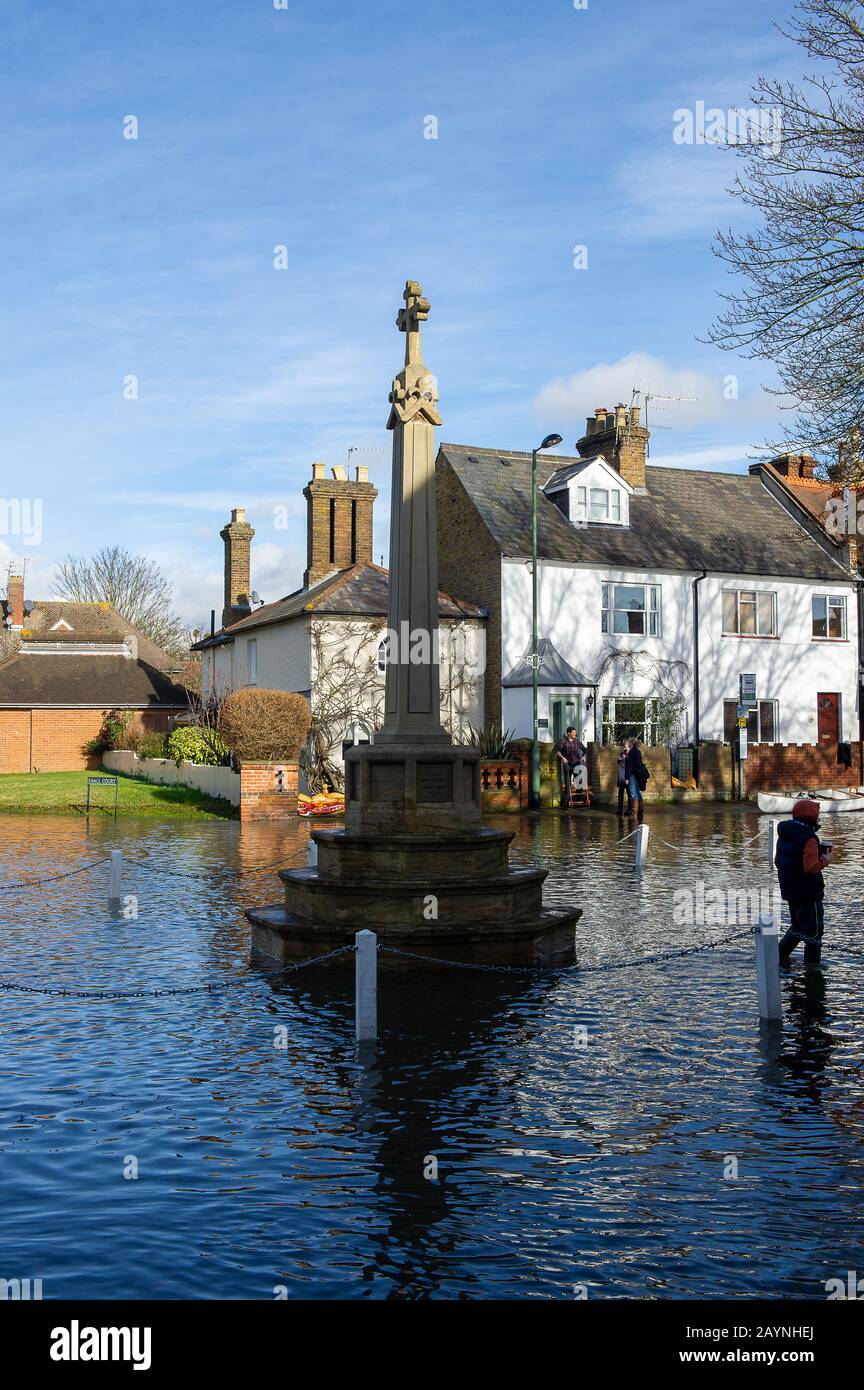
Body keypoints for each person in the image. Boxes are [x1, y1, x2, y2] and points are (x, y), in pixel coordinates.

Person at [775, 798, 832, 966]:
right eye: (817, 815)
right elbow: (810, 867)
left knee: (798, 927)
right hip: (808, 892)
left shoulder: (785, 835)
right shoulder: (809, 838)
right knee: (814, 932)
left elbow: (780, 861)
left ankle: (777, 956)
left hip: (790, 890)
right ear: (811, 817)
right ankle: (812, 969)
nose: (819, 817)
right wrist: (825, 860)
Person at [556, 726, 587, 805]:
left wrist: (584, 756)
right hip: (567, 764)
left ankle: (579, 798)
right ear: (568, 733)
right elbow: (558, 751)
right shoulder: (563, 742)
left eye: (575, 732)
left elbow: (585, 750)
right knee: (567, 781)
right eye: (573, 733)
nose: (575, 734)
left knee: (579, 781)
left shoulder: (577, 741)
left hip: (576, 763)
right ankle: (568, 799)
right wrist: (562, 758)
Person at [624, 736, 646, 817]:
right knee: (637, 791)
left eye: (629, 742)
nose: (627, 743)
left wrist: (627, 778)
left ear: (631, 743)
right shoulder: (638, 751)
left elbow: (630, 766)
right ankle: (640, 810)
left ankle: (634, 813)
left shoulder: (632, 752)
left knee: (633, 793)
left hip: (632, 775)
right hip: (638, 774)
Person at [616, 744, 628, 816]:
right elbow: (618, 762)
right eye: (624, 746)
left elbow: (628, 765)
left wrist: (624, 758)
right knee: (620, 794)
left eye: (626, 746)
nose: (624, 748)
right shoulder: (621, 754)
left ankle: (630, 809)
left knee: (629, 794)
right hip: (621, 778)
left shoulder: (630, 755)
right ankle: (619, 809)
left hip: (627, 778)